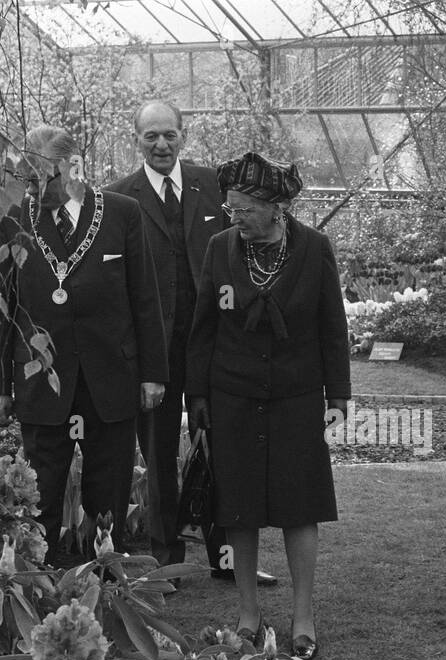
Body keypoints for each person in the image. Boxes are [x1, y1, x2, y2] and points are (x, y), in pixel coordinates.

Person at [187, 152, 351, 660]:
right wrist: (198, 401)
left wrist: (338, 396)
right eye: (230, 209)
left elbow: (331, 327)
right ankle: (248, 614)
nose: (234, 218)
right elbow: (202, 330)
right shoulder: (220, 249)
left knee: (300, 507)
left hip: (296, 398)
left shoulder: (314, 249)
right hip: (231, 396)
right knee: (239, 507)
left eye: (244, 210)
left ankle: (303, 617)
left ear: (276, 208)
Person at [106, 101, 275, 586]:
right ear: (135, 138)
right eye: (150, 137)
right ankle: (166, 562)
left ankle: (228, 556)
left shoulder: (214, 186)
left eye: (169, 136)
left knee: (224, 449)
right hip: (152, 355)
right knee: (158, 458)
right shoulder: (119, 198)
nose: (161, 145)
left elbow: (243, 257)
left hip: (215, 349)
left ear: (184, 136)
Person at [0, 125, 167, 555]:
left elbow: (145, 298)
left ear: (70, 165)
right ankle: (40, 588)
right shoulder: (10, 219)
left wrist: (153, 373)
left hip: (111, 380)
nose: (31, 187)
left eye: (38, 176)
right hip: (41, 383)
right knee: (38, 496)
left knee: (109, 498)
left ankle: (106, 585)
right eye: (25, 178)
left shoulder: (122, 212)